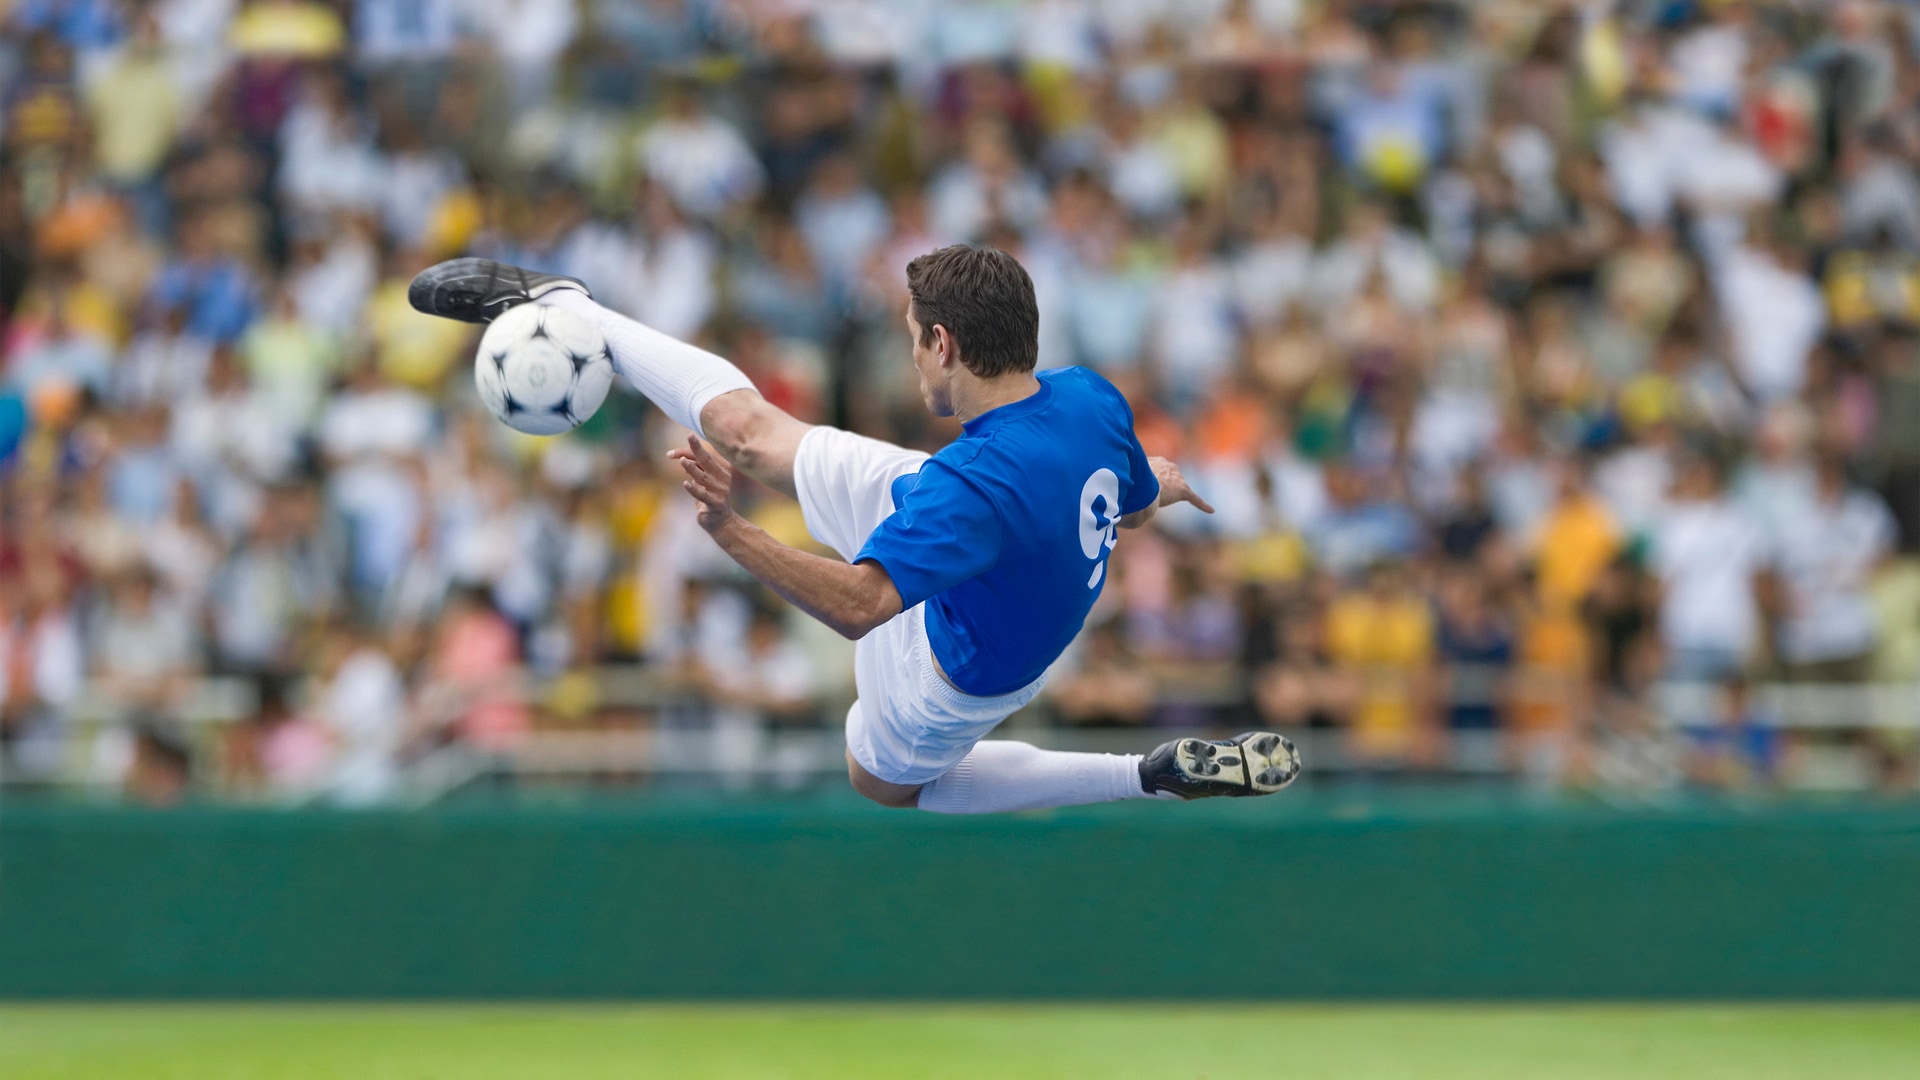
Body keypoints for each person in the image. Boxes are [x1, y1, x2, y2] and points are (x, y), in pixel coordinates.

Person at [408, 247, 1300, 812]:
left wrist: (730, 529)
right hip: (967, 538)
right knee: (750, 432)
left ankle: (1143, 776)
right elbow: (1131, 501)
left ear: (944, 344)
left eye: (914, 339)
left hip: (947, 670)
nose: (911, 357)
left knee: (881, 782)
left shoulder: (968, 484)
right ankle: (578, 310)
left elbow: (862, 607)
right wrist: (1161, 488)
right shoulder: (1091, 399)